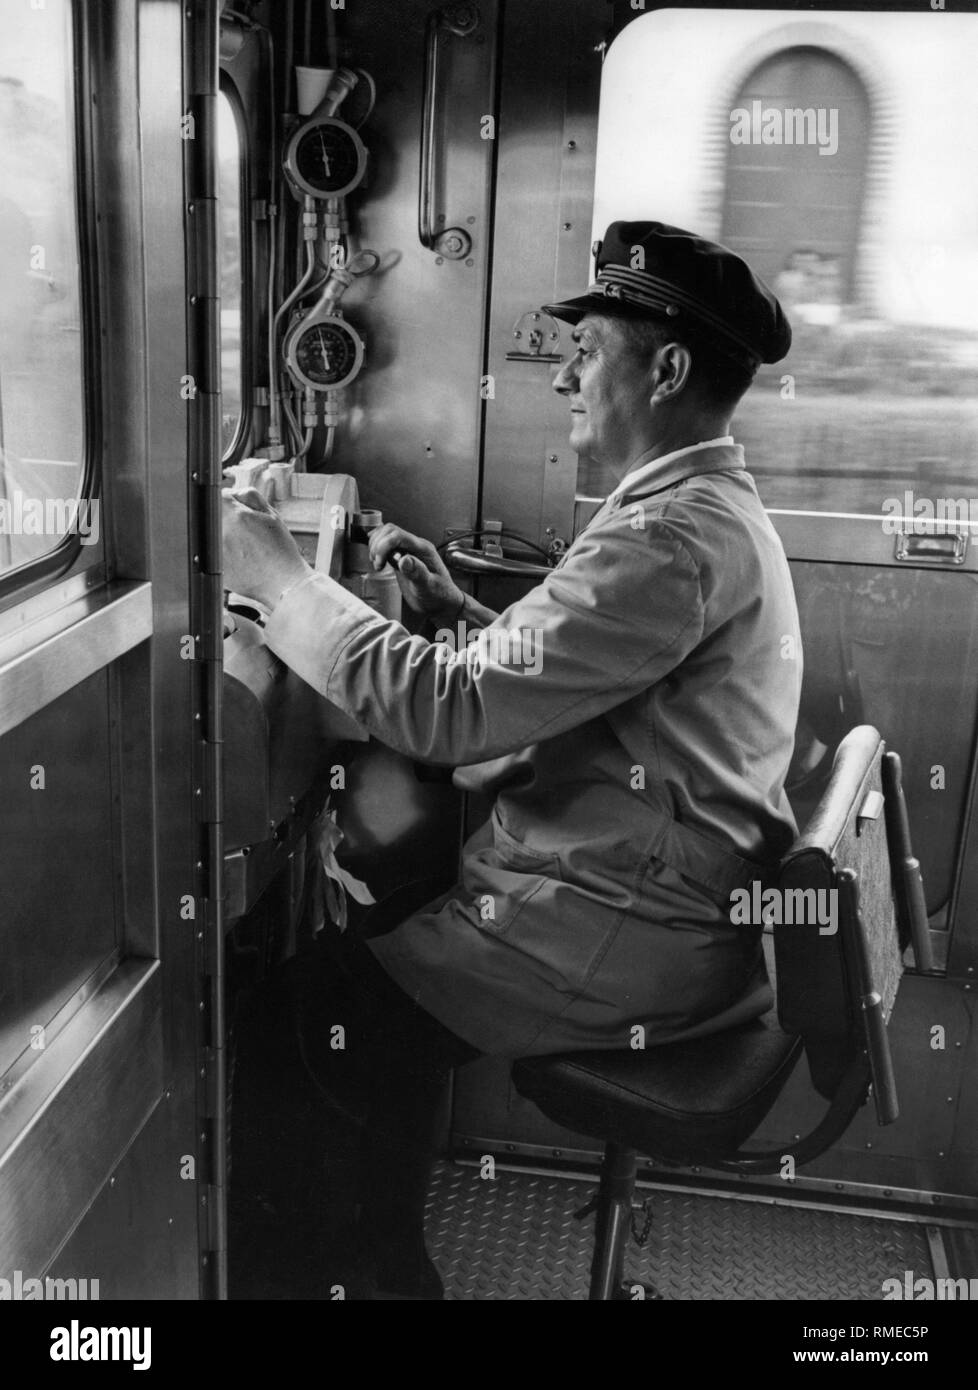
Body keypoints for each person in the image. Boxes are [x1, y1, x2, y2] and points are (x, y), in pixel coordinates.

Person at [222, 219, 802, 1298]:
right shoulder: (697, 509)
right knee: (384, 945)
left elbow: (447, 714)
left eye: (592, 350)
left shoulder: (664, 538)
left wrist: (276, 578)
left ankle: (368, 1283)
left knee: (309, 1020)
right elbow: (590, 676)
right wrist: (467, 611)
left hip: (621, 926)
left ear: (667, 369)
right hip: (650, 897)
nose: (567, 373)